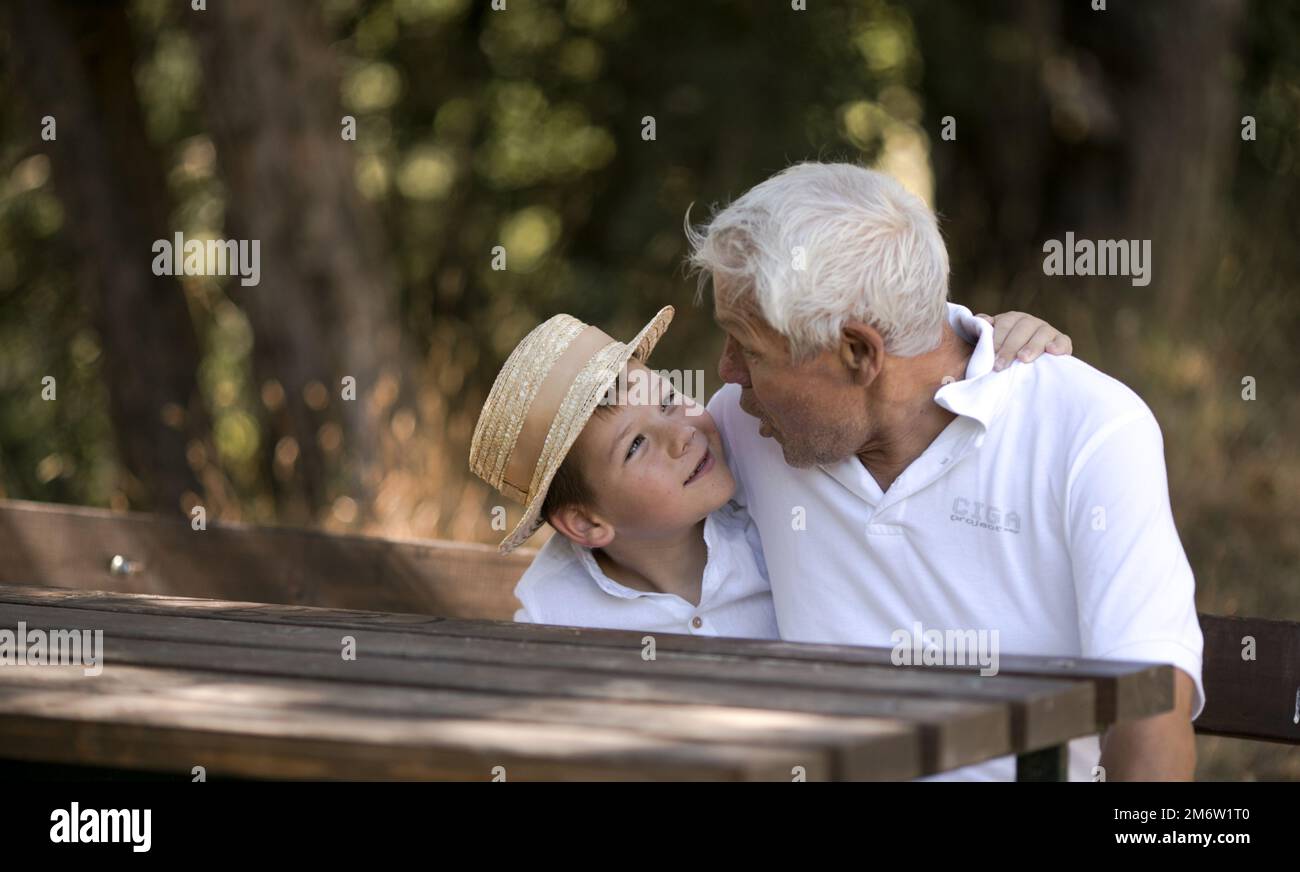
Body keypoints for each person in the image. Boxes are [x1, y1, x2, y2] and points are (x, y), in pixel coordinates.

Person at [689, 161, 1204, 780]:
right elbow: (603, 486)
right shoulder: (747, 425)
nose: (726, 372)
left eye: (750, 348)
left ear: (858, 352)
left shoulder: (1087, 428)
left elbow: (1149, 700)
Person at [469, 301, 1072, 639]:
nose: (683, 434)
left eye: (670, 399)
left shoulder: (770, 494)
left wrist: (985, 340)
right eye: (635, 447)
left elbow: (871, 371)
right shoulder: (555, 621)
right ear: (583, 521)